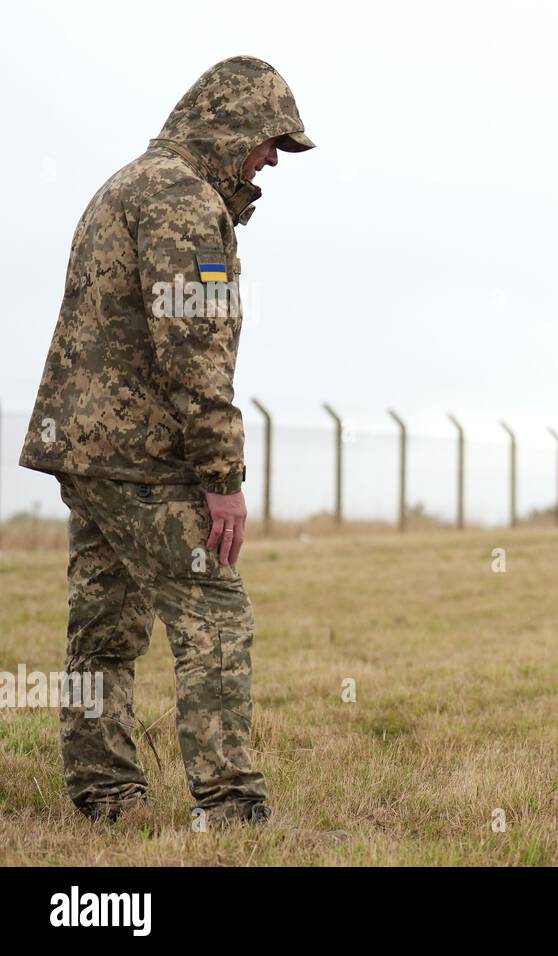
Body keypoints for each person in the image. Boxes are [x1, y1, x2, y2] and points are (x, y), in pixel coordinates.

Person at [18, 55, 315, 826]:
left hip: (85, 450)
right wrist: (224, 476)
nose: (272, 159)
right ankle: (231, 805)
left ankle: (105, 794)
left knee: (105, 624)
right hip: (144, 458)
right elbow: (194, 346)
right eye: (269, 139)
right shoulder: (184, 201)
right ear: (231, 125)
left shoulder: (125, 183)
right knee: (215, 615)